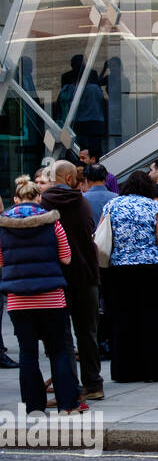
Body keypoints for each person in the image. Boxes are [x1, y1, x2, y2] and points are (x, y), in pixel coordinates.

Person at [0, 175, 82, 413]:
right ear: (39, 198)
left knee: (27, 353)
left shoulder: (3, 226)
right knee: (58, 350)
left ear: (16, 198)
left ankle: (34, 406)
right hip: (51, 297)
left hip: (18, 300)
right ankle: (67, 403)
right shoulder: (53, 223)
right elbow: (66, 257)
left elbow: (2, 262)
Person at [42, 160, 103, 399]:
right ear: (69, 179)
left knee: (61, 335)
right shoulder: (83, 201)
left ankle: (70, 387)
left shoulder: (45, 203)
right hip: (86, 274)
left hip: (57, 277)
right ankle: (94, 384)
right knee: (88, 332)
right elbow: (90, 231)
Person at [103, 171, 158, 384]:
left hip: (119, 268)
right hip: (149, 267)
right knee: (151, 318)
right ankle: (153, 370)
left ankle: (125, 371)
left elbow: (101, 234)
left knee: (123, 318)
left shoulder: (112, 206)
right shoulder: (155, 207)